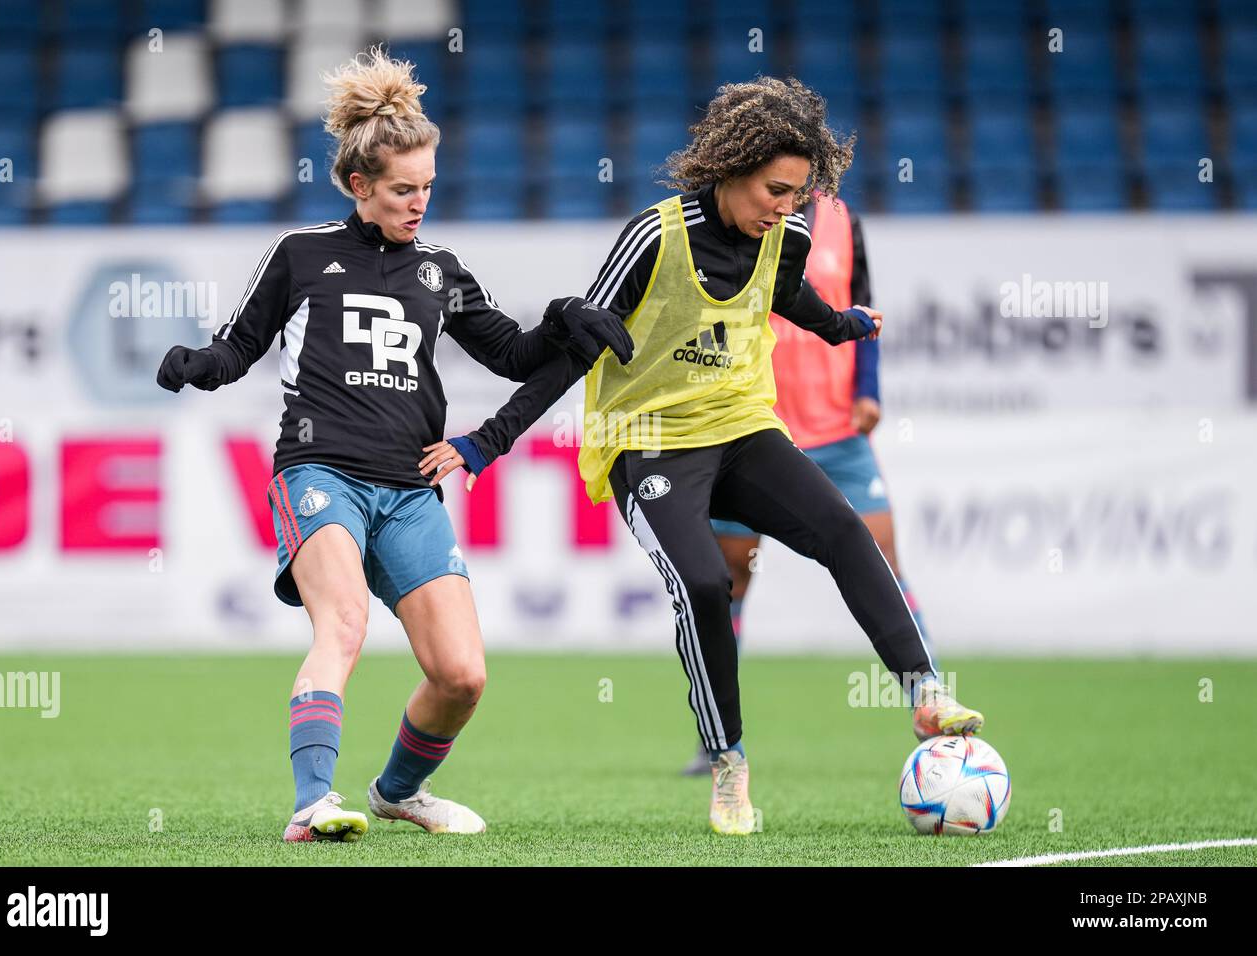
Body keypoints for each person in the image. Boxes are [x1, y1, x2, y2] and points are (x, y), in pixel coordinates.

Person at [425, 78, 983, 836]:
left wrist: (843, 326)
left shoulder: (786, 238)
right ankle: (728, 763)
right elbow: (572, 352)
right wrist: (488, 441)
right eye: (772, 190)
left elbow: (791, 299)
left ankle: (924, 691)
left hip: (742, 426)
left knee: (845, 531)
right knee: (705, 582)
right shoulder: (655, 237)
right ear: (730, 167)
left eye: (797, 194)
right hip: (648, 441)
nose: (784, 206)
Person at [155, 49, 630, 843]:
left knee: (462, 676)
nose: (419, 203)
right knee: (341, 626)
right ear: (358, 185)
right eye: (403, 190)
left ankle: (397, 792)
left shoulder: (441, 271)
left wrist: (559, 323)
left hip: (410, 490)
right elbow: (237, 349)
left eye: (428, 188)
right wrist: (200, 365)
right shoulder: (300, 254)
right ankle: (312, 804)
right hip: (318, 471)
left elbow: (513, 356)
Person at [679, 194, 938, 776]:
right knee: (728, 579)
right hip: (749, 428)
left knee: (881, 560)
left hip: (836, 429)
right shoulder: (735, 220)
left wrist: (868, 389)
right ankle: (717, 737)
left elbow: (863, 311)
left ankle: (932, 707)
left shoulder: (846, 224)